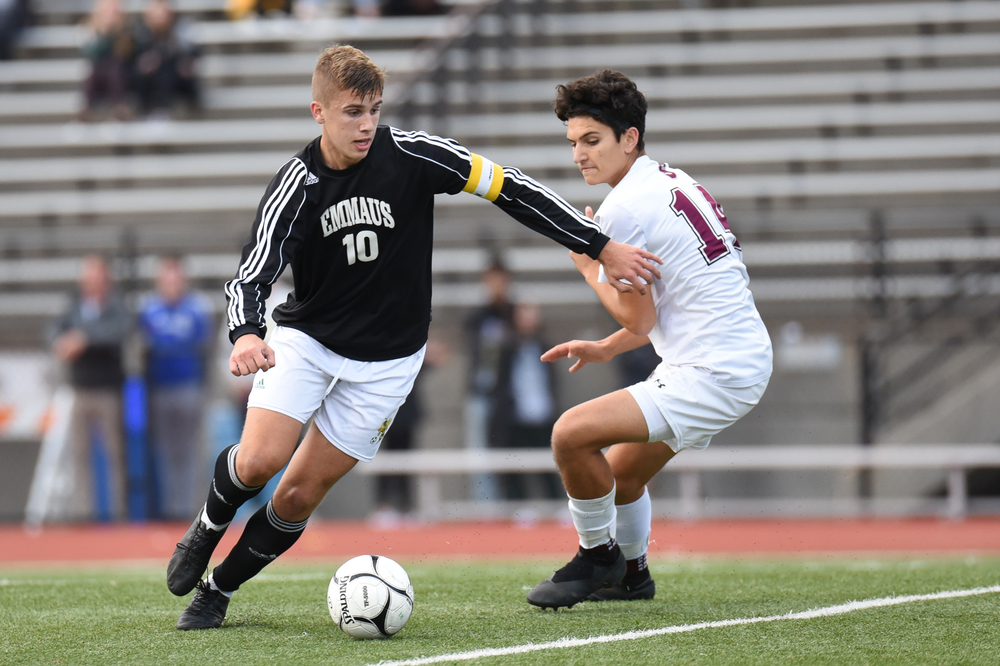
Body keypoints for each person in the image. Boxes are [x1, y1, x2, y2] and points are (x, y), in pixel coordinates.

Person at [165, 45, 662, 630]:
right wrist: (247, 334)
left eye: (374, 109)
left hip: (389, 363)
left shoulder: (412, 154)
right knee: (259, 461)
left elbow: (510, 187)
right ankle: (207, 527)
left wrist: (598, 244)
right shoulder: (298, 183)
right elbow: (253, 272)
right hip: (308, 342)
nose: (366, 124)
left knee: (297, 495)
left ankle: (218, 590)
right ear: (319, 112)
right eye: (352, 111)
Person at [526, 71, 772, 609]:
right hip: (734, 356)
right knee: (619, 475)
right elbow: (669, 306)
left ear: (629, 137)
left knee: (570, 435)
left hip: (713, 368)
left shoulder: (622, 209)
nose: (579, 155)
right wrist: (605, 348)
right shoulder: (671, 179)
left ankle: (597, 557)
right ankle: (632, 575)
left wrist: (586, 263)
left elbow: (639, 319)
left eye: (592, 140)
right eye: (573, 142)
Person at [48, 255, 131, 521]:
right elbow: (53, 330)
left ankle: (118, 514)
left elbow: (118, 331)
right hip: (80, 389)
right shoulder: (74, 304)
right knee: (80, 455)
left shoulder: (116, 304)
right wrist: (62, 342)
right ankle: (84, 514)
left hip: (108, 390)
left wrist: (84, 338)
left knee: (114, 455)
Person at [139, 256, 213, 520]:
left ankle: (190, 508)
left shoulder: (197, 307)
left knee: (189, 449)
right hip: (160, 388)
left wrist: (166, 345)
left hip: (189, 386)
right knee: (165, 450)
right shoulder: (149, 308)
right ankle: (171, 508)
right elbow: (145, 345)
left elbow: (201, 344)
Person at [493, 302, 562, 503]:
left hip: (543, 414)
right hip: (516, 416)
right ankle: (519, 503)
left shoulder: (544, 345)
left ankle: (555, 502)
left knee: (549, 464)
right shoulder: (508, 346)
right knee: (516, 466)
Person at [131, 0, 200, 118]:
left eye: (162, 14)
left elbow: (191, 53)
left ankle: (175, 108)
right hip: (149, 82)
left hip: (175, 77)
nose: (160, 18)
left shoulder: (180, 31)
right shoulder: (141, 34)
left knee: (169, 70)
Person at [79, 0, 133, 121]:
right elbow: (91, 53)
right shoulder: (90, 29)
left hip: (120, 72)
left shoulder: (126, 30)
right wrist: (103, 34)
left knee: (114, 69)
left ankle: (119, 106)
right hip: (98, 72)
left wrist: (115, 33)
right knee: (94, 72)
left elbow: (125, 53)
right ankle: (87, 108)